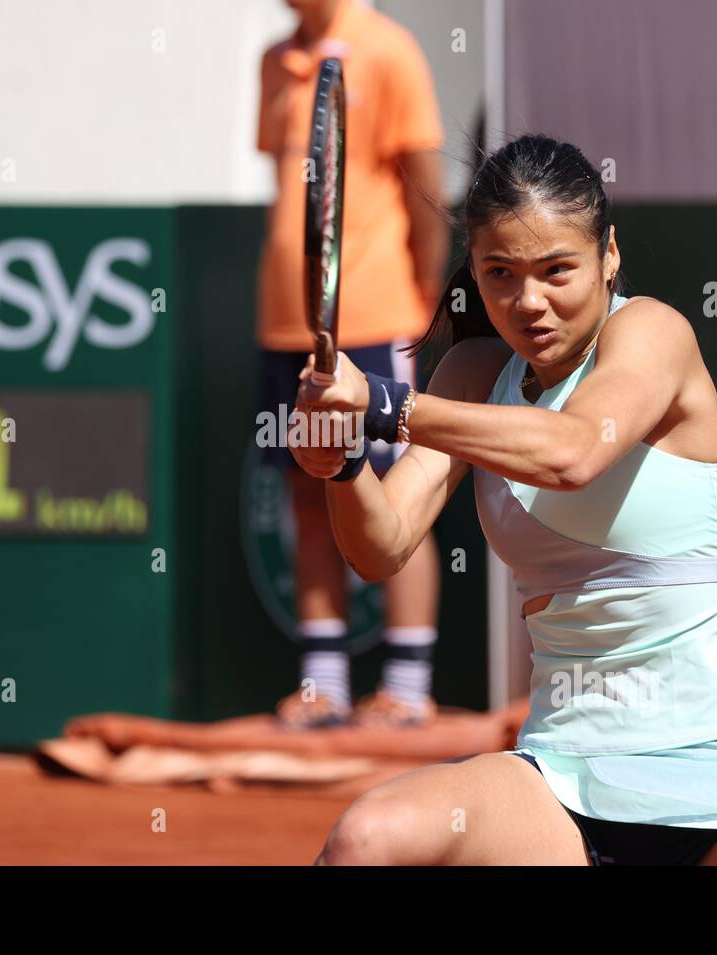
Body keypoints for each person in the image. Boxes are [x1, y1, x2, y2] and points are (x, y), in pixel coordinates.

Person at [289, 133, 717, 865]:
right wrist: (341, 462)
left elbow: (575, 450)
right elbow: (381, 544)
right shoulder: (470, 371)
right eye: (500, 274)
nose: (529, 303)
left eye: (558, 271)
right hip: (563, 776)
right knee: (367, 837)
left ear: (608, 255)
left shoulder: (652, 332)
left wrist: (387, 405)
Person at [255, 0, 449, 728]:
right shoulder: (272, 63)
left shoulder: (392, 51)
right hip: (282, 323)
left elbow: (425, 189)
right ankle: (324, 686)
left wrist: (427, 297)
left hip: (378, 318)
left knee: (397, 489)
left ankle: (406, 685)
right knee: (306, 491)